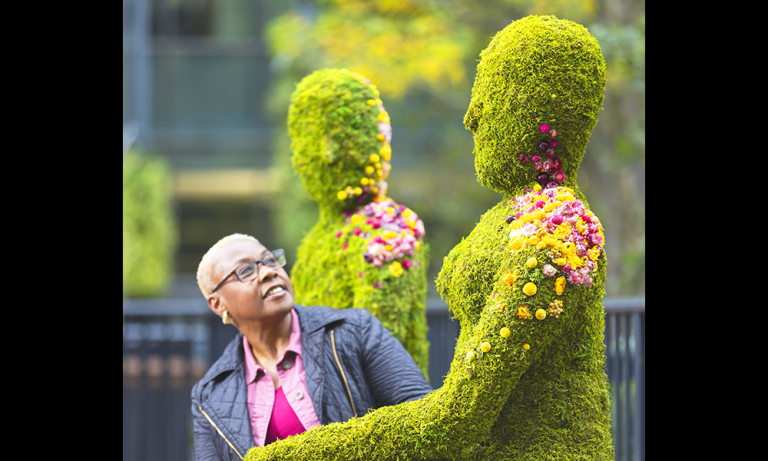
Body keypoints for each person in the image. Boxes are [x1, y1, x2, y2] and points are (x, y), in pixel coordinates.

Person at [190, 233, 432, 461]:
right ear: (217, 303)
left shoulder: (354, 330)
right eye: (246, 270)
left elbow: (423, 417)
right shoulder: (209, 395)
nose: (268, 272)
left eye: (270, 260)